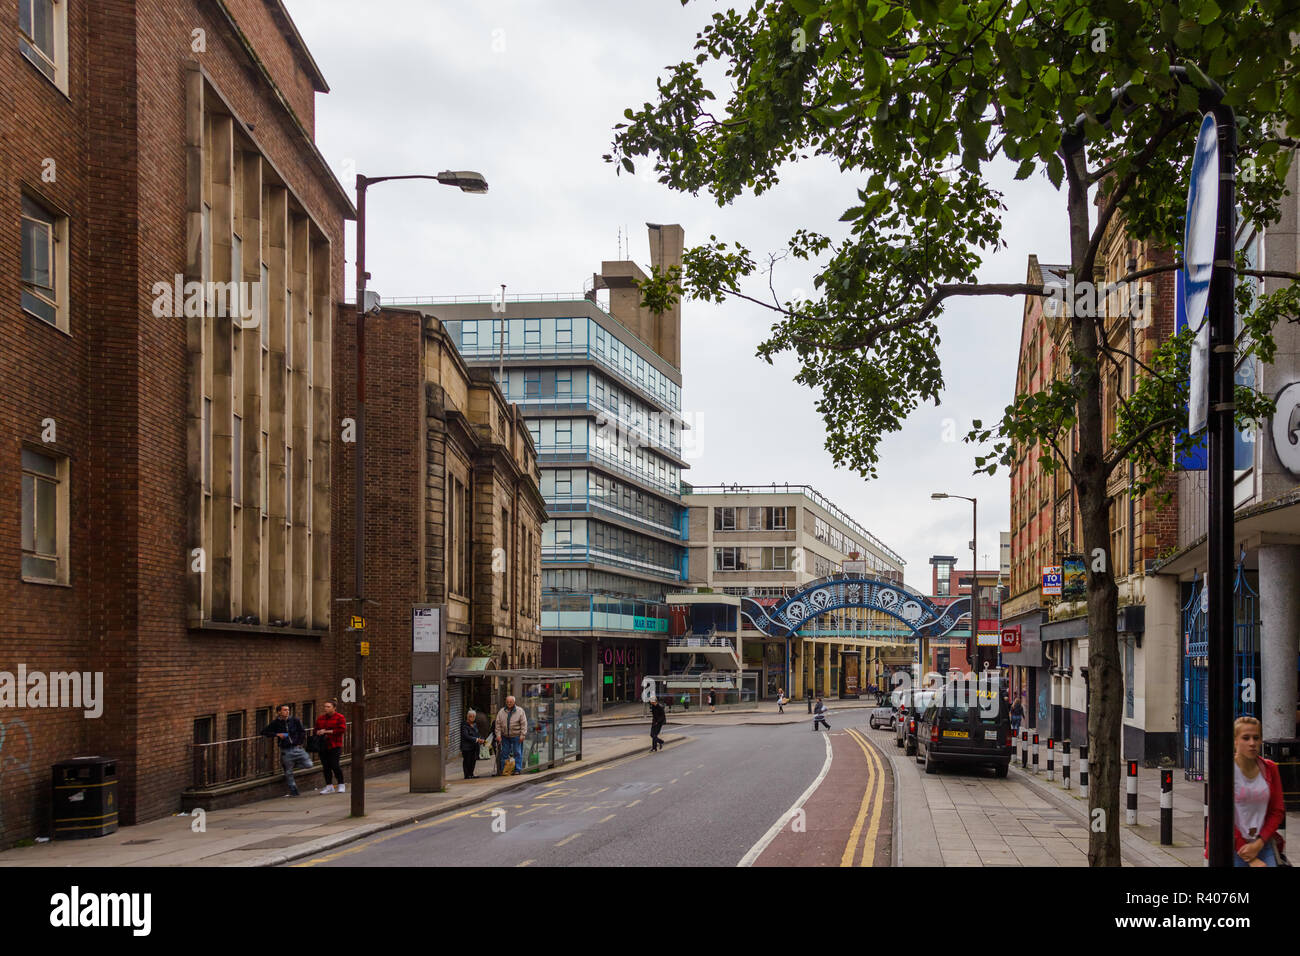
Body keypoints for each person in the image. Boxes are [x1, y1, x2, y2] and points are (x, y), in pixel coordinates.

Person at [1210, 716, 1287, 867]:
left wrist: (1259, 843)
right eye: (1246, 738)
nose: (1252, 743)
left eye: (1256, 738)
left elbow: (1277, 810)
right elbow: (1221, 816)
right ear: (1235, 741)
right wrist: (1249, 856)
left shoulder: (1270, 769)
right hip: (1231, 845)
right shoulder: (1224, 771)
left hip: (1262, 843)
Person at [261, 704, 312, 797]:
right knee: (288, 772)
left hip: (297, 748)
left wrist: (299, 742)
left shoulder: (295, 720)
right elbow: (264, 732)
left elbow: (302, 731)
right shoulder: (276, 723)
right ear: (279, 712)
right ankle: (294, 790)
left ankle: (295, 763)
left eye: (288, 710)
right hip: (286, 750)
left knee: (309, 764)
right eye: (284, 710)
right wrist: (277, 734)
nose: (287, 711)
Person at [313, 699, 347, 794]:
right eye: (325, 706)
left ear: (334, 708)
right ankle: (329, 786)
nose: (326, 708)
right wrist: (318, 732)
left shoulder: (340, 717)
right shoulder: (321, 718)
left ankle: (341, 784)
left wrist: (326, 731)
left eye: (328, 707)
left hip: (335, 745)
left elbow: (341, 730)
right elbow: (315, 730)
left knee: (335, 765)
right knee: (326, 766)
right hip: (323, 745)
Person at [494, 695, 528, 776]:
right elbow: (497, 725)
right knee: (504, 753)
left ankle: (517, 769)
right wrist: (498, 735)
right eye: (508, 702)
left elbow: (524, 724)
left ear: (514, 702)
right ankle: (504, 769)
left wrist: (522, 735)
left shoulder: (520, 711)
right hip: (505, 736)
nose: (509, 703)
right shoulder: (501, 711)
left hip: (516, 735)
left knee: (517, 752)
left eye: (511, 702)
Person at [461, 709, 487, 779]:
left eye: (473, 716)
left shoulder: (475, 725)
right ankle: (467, 775)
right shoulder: (464, 725)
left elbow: (477, 733)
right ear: (467, 717)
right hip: (466, 747)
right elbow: (466, 736)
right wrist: (476, 739)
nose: (471, 718)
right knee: (467, 761)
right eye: (470, 716)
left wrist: (481, 739)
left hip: (474, 746)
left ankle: (471, 774)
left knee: (473, 760)